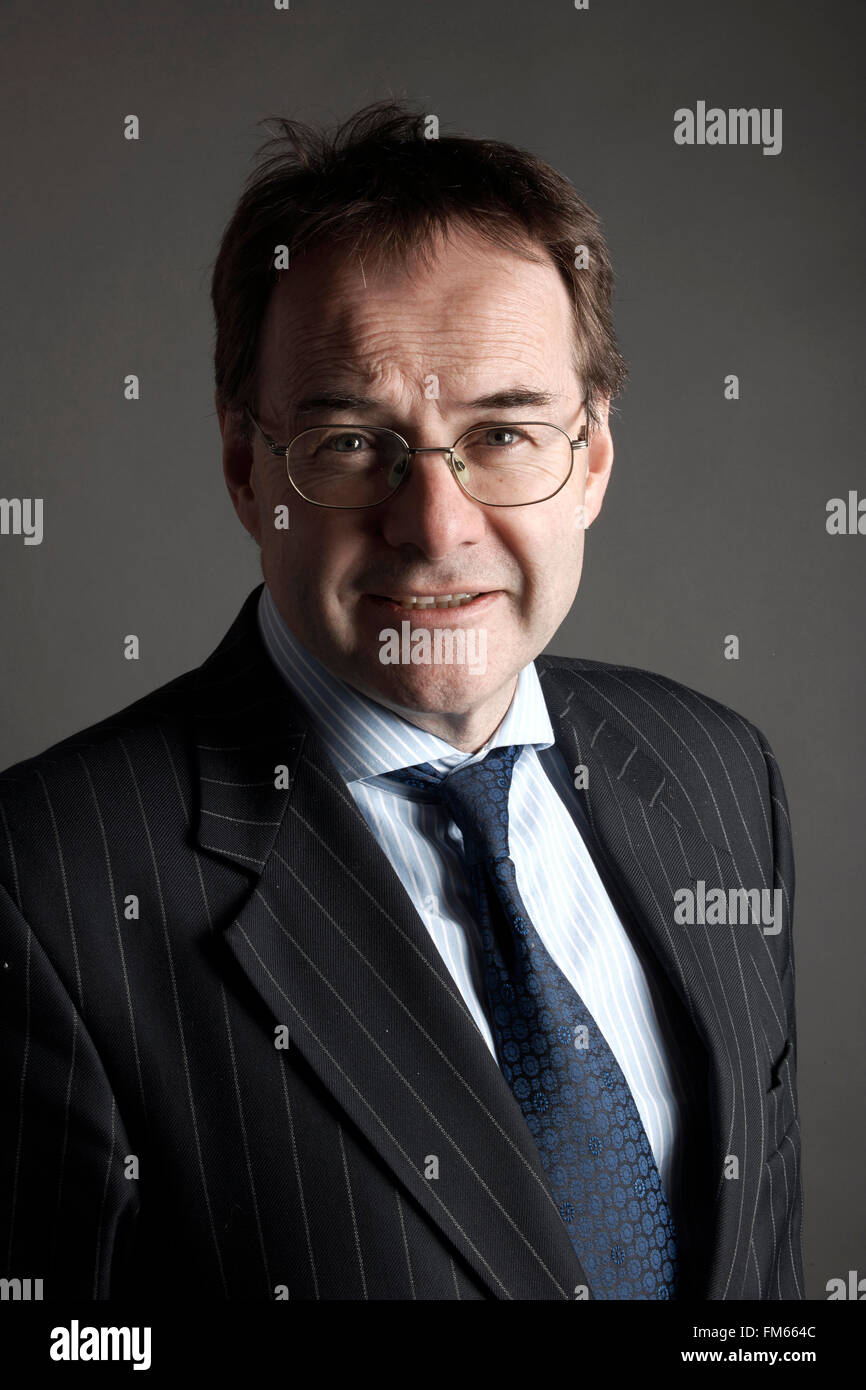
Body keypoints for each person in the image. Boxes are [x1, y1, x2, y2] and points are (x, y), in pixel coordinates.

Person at [0, 101, 802, 1301]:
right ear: (245, 470)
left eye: (503, 432)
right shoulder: (42, 886)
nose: (434, 528)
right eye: (349, 444)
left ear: (589, 461)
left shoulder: (716, 772)